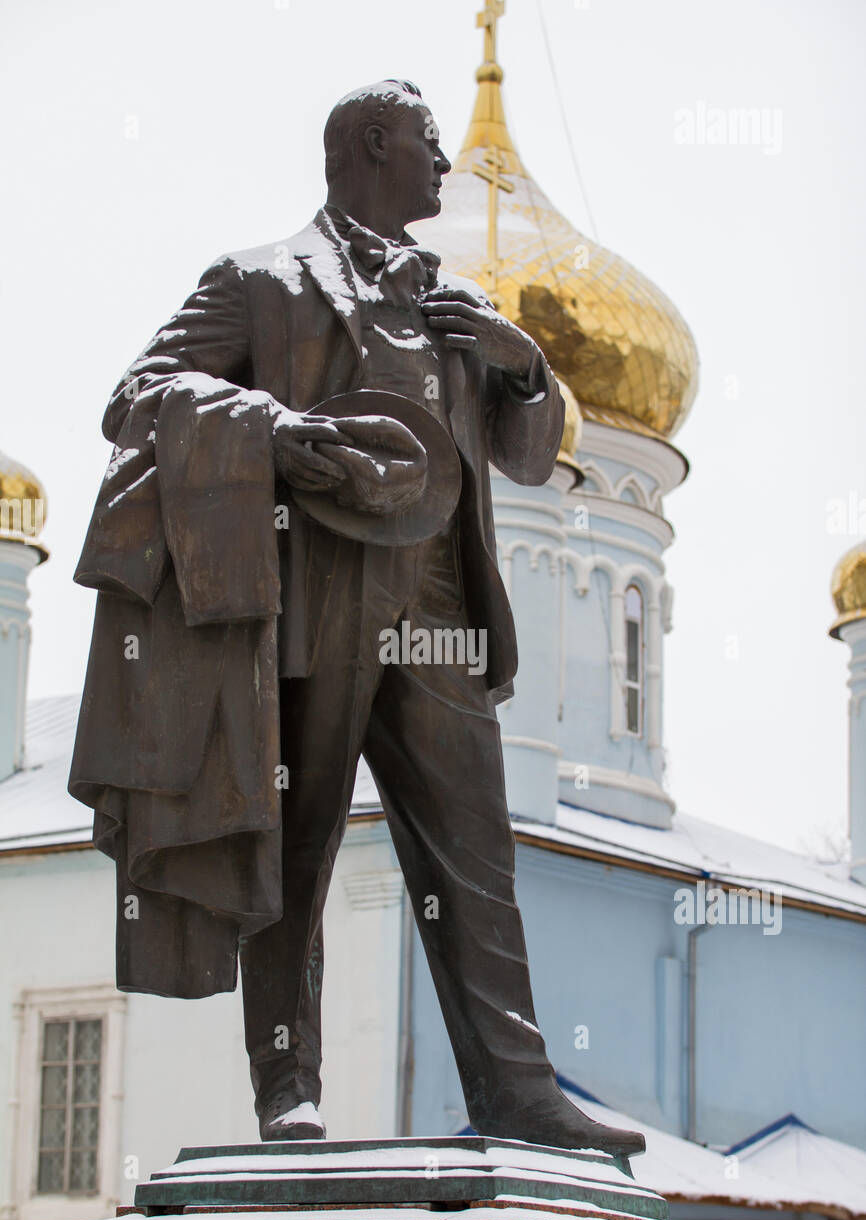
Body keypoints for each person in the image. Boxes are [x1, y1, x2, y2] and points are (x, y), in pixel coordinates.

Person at [70, 79, 644, 1160]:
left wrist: (519, 361)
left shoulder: (450, 299)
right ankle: (287, 1091)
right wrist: (275, 431)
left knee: (475, 850)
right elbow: (135, 395)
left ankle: (516, 1092)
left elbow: (528, 453)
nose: (443, 166)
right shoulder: (260, 280)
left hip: (435, 607)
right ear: (372, 145)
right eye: (430, 145)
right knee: (296, 843)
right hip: (312, 596)